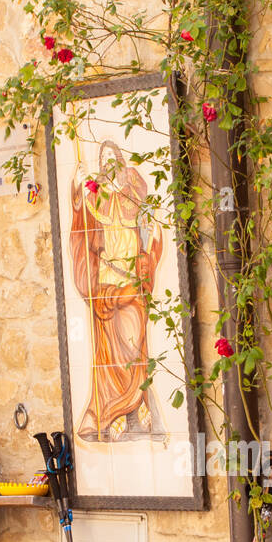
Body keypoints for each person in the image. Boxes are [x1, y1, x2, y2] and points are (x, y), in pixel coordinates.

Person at [68, 140, 166, 444]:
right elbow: (81, 229)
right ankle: (111, 415)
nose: (108, 161)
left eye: (112, 156)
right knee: (108, 354)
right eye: (103, 157)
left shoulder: (132, 190)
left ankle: (136, 410)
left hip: (131, 282)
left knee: (135, 348)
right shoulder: (95, 199)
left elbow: (148, 220)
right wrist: (76, 190)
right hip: (107, 285)